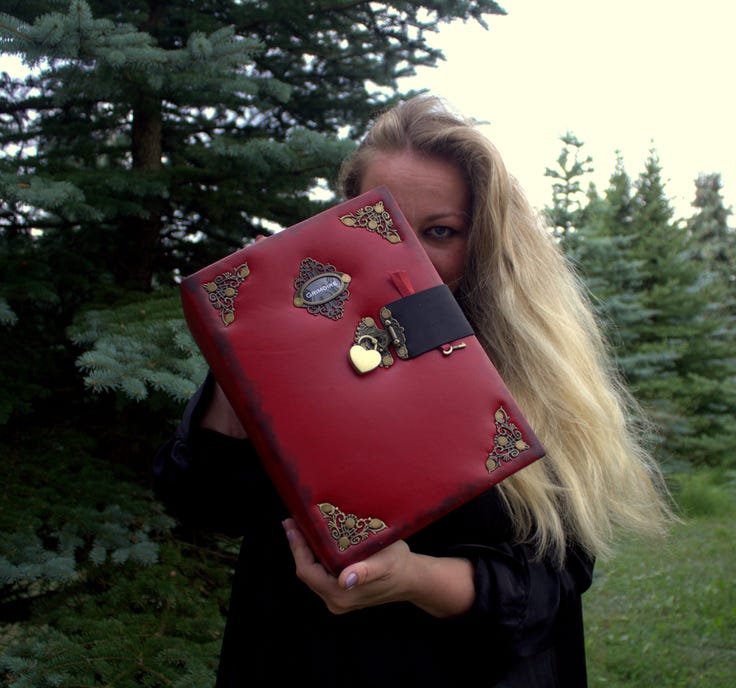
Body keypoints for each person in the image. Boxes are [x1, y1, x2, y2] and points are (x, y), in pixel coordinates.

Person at [153, 94, 674, 687]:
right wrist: (243, 345)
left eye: (441, 232)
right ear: (343, 220)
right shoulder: (293, 343)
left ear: (482, 241)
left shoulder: (529, 368)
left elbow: (552, 580)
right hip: (299, 660)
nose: (412, 258)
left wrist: (413, 578)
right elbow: (197, 498)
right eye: (389, 226)